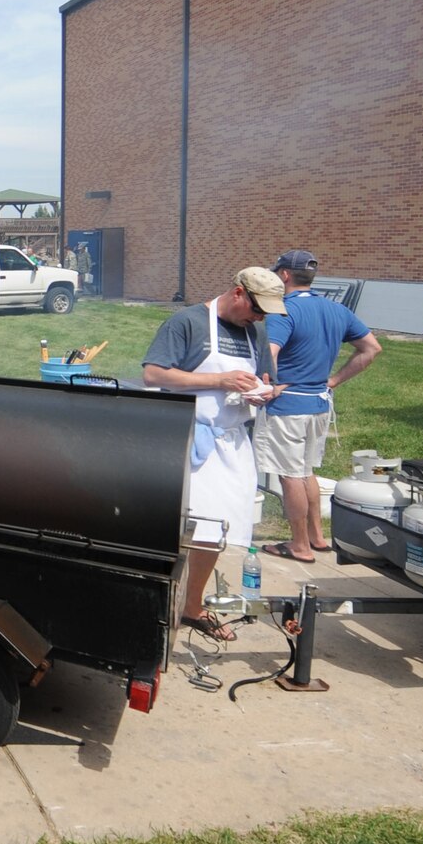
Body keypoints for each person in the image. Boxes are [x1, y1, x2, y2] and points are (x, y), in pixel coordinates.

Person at [142, 268, 286, 643]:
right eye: (257, 309)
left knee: (215, 531)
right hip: (188, 437)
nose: (260, 318)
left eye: (266, 313)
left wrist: (265, 391)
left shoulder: (255, 332)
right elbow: (154, 374)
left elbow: (265, 378)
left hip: (232, 442)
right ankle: (154, 605)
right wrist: (219, 381)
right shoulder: (188, 322)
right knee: (174, 531)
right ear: (238, 293)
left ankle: (191, 607)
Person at [255, 251, 381, 565]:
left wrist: (266, 384)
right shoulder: (337, 309)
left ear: (284, 275)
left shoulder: (283, 310)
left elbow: (270, 354)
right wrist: (334, 381)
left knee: (290, 476)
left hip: (288, 406)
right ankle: (317, 537)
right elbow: (371, 348)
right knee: (306, 471)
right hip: (320, 404)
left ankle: (299, 545)